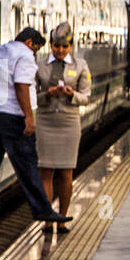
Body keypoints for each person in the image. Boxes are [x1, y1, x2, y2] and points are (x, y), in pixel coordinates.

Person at [0, 27, 71, 224]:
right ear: (30, 43)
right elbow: (21, 85)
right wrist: (29, 117)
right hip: (12, 114)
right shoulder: (25, 55)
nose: (35, 53)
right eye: (36, 49)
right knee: (27, 162)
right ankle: (43, 209)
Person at [34, 22, 90, 232]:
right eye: (57, 46)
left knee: (66, 172)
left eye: (65, 47)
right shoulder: (40, 65)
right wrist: (46, 95)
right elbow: (31, 96)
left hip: (69, 123)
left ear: (71, 46)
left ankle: (63, 217)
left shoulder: (81, 65)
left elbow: (86, 96)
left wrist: (71, 95)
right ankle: (49, 219)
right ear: (50, 44)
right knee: (45, 172)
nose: (60, 50)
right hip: (46, 121)